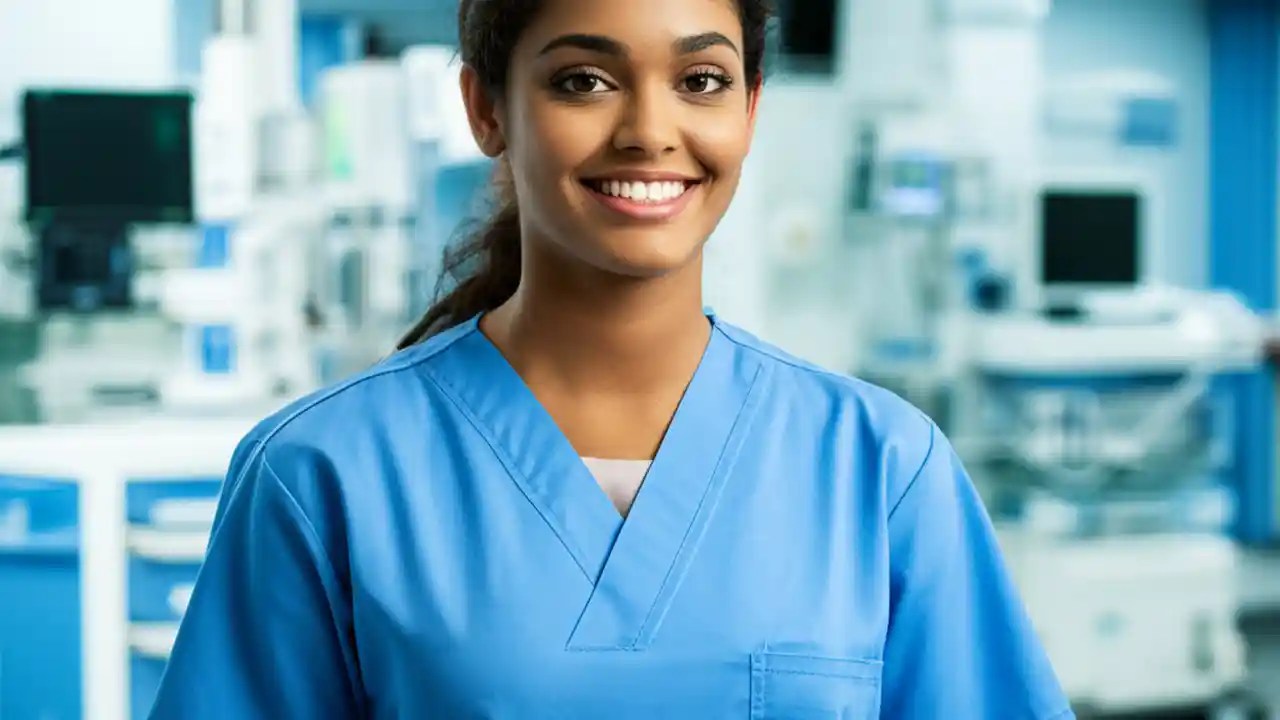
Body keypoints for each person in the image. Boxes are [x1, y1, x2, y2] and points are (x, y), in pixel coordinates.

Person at [151, 0, 1073, 717]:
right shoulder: (325, 474)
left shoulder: (880, 467)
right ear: (486, 108)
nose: (648, 129)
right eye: (584, 80)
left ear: (751, 108)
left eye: (701, 81)